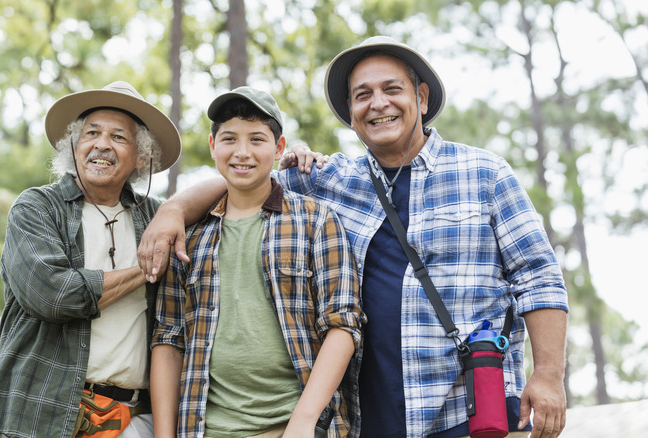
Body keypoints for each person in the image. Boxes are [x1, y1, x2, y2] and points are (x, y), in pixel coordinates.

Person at [137, 36, 569, 438]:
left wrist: (548, 375)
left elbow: (538, 276)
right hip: (370, 418)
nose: (378, 104)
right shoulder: (331, 181)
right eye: (363, 95)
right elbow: (246, 179)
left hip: (468, 409)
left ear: (420, 97)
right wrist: (173, 210)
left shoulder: (484, 174)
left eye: (392, 89)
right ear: (350, 110)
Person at [150, 86, 364, 438]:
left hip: (295, 426)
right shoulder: (189, 237)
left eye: (257, 140)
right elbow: (169, 339)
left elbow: (343, 324)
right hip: (206, 428)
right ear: (212, 146)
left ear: (279, 149)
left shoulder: (315, 221)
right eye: (230, 139)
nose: (243, 152)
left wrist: (304, 421)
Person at [0, 81, 181, 438]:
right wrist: (146, 268)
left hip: (133, 419)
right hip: (42, 414)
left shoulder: (156, 218)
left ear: (141, 157)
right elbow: (54, 295)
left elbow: (226, 194)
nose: (102, 144)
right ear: (74, 145)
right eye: (91, 133)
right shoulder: (37, 207)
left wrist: (296, 162)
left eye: (119, 137)